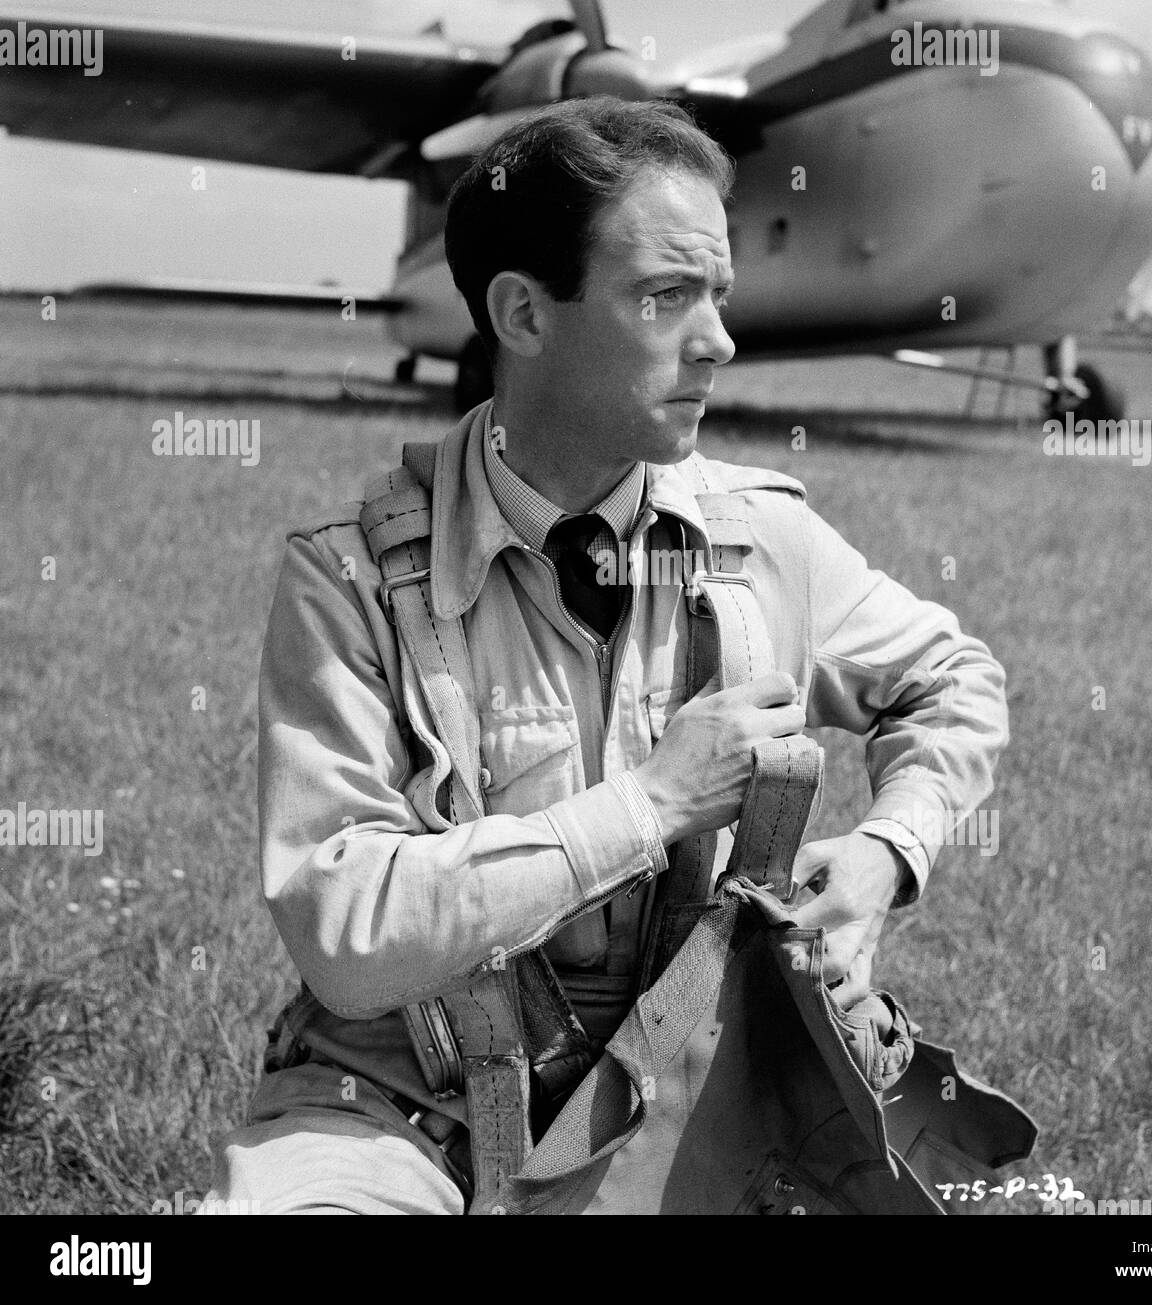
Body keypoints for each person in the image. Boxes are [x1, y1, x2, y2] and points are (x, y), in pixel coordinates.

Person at [208, 96, 1008, 1214]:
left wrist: (886, 853)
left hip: (695, 1103)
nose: (718, 340)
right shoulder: (345, 586)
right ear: (525, 314)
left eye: (716, 295)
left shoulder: (761, 541)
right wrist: (651, 804)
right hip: (399, 1105)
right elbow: (347, 932)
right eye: (664, 296)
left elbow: (954, 683)